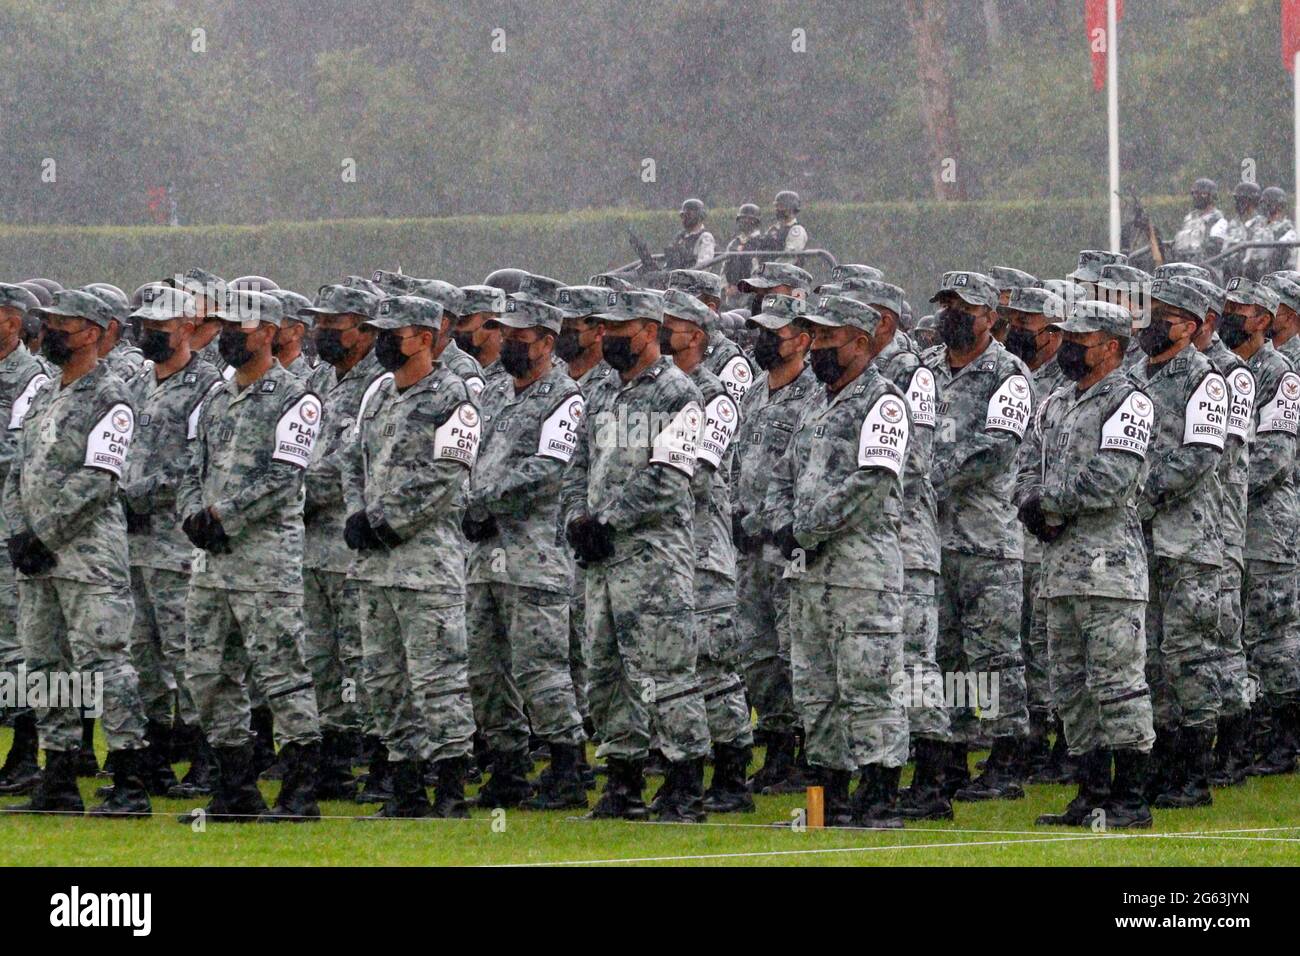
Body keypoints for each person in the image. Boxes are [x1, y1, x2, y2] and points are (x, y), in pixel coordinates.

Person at [560, 289, 711, 821]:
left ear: (648, 330)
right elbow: (576, 463)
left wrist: (610, 519)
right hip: (601, 562)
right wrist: (577, 518)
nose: (607, 337)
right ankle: (621, 780)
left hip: (653, 561)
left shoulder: (678, 393)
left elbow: (670, 478)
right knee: (606, 672)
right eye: (604, 327)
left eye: (619, 328)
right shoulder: (600, 390)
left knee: (665, 674)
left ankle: (684, 781)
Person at [0, 289, 149, 817]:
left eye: (65, 324)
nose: (53, 331)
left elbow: (100, 479)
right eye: (52, 322)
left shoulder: (112, 394)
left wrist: (46, 533)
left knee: (106, 664)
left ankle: (131, 777)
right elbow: (19, 467)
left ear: (94, 331)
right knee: (46, 666)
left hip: (88, 558)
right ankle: (58, 776)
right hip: (37, 561)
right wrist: (19, 532)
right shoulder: (46, 393)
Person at [177, 289, 324, 823]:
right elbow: (193, 466)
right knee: (207, 672)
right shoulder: (216, 399)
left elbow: (286, 477)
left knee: (281, 673)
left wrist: (224, 516)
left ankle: (301, 788)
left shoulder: (297, 398)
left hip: (265, 562)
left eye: (238, 327)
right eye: (223, 327)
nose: (227, 336)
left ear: (268, 331)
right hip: (212, 564)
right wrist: (193, 513)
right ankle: (234, 787)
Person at [765, 294, 911, 828]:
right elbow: (782, 475)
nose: (820, 348)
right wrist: (782, 522)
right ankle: (827, 804)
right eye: (816, 338)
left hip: (860, 575)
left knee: (869, 686)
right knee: (816, 691)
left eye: (830, 339)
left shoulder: (884, 402)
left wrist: (804, 528)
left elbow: (870, 483)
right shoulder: (813, 403)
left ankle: (878, 799)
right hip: (808, 577)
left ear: (861, 342)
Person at [1017, 300, 1157, 829]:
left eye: (1083, 339)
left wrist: (1047, 505)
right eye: (1067, 337)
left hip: (1109, 574)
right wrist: (1031, 503)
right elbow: (1026, 465)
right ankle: (1090, 789)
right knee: (1070, 688)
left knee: (1118, 684)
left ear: (1113, 348)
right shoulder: (1054, 402)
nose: (1071, 346)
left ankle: (1130, 796)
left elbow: (1112, 478)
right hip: (1059, 571)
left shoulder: (1130, 402)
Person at [344, 295, 480, 818]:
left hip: (426, 565)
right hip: (376, 569)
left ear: (425, 337)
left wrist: (386, 522)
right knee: (384, 679)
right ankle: (404, 786)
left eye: (392, 332)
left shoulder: (454, 396)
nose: (380, 342)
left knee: (438, 678)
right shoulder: (378, 394)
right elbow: (353, 460)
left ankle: (449, 788)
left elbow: (447, 477)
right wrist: (359, 513)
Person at [463, 295, 587, 811]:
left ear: (546, 341)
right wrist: (468, 502)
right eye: (504, 335)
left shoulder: (565, 396)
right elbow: (468, 455)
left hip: (533, 557)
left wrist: (487, 501)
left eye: (520, 336)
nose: (509, 343)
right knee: (485, 670)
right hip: (483, 555)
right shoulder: (494, 394)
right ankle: (508, 766)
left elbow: (550, 468)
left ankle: (567, 766)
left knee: (541, 668)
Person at [925, 271, 1033, 800]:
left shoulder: (1008, 374)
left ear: (991, 316)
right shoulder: (926, 371)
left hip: (988, 541)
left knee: (994, 655)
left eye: (964, 306)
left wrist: (926, 476)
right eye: (947, 304)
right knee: (942, 654)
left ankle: (1007, 756)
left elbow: (996, 450)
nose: (952, 314)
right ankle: (948, 755)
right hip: (931, 541)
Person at [120, 286, 224, 798]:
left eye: (158, 325)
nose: (147, 333)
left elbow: (196, 464)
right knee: (142, 655)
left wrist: (139, 494)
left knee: (190, 655)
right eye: (142, 325)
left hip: (178, 545)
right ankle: (154, 758)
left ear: (187, 327)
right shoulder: (138, 383)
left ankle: (208, 758)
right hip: (133, 546)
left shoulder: (208, 387)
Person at [1133, 276, 1227, 809]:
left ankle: (1194, 773)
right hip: (1141, 543)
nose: (1151, 321)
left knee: (1189, 659)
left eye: (1164, 314)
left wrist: (1140, 491)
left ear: (1189, 326)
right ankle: (1162, 766)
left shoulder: (1204, 379)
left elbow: (1199, 457)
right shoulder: (1132, 374)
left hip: (1189, 542)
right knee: (1151, 660)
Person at [658, 289, 751, 814]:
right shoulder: (657, 392)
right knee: (674, 666)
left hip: (702, 552)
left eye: (670, 325)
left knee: (713, 666)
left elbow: (696, 472)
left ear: (695, 333)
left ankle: (733, 772)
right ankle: (686, 766)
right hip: (664, 554)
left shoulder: (714, 397)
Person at [298, 283, 387, 801]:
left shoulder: (379, 386)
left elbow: (348, 462)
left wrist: (294, 492)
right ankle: (331, 757)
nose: (323, 331)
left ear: (365, 329)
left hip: (351, 546)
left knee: (363, 660)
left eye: (335, 322)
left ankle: (377, 757)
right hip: (310, 549)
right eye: (320, 321)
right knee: (319, 659)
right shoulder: (318, 381)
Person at [733, 294, 817, 794]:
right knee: (758, 653)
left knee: (794, 651)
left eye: (775, 332)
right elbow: (735, 464)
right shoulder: (751, 396)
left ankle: (808, 747)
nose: (764, 340)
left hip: (789, 547)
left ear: (803, 340)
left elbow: (804, 475)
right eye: (760, 330)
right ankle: (776, 744)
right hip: (749, 550)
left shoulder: (813, 395)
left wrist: (769, 520)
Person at [1217, 276, 1300, 776]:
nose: (1229, 314)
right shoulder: (1225, 371)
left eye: (1239, 309)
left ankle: (1284, 735)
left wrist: (1222, 485)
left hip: (1266, 525)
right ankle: (1247, 731)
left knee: (1275, 633)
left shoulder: (1279, 374)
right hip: (1227, 525)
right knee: (1237, 633)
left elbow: (1273, 455)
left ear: (1265, 319)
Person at [1186, 275, 1256, 786]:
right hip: (1191, 528)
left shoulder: (1230, 378)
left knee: (1222, 637)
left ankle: (1234, 743)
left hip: (1219, 525)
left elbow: (1221, 459)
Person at [0, 285, 52, 797]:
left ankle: (25, 750)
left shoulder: (30, 380)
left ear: (14, 323)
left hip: (9, 532)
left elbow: (20, 456)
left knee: (18, 647)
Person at [1171, 178, 1225, 265]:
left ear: (1211, 196)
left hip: (1206, 269)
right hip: (1183, 265)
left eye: (1202, 194)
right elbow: (1179, 243)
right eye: (1194, 194)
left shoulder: (1219, 222)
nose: (1197, 197)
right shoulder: (1188, 218)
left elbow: (1214, 252)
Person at [721, 203, 763, 294]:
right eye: (742, 219)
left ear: (756, 221)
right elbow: (724, 267)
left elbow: (759, 270)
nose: (744, 221)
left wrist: (742, 288)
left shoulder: (761, 242)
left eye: (748, 219)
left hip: (751, 294)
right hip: (730, 293)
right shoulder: (734, 243)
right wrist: (726, 286)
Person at [664, 199, 716, 271]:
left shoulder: (705, 237)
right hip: (674, 278)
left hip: (692, 280)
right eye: (683, 215)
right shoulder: (679, 237)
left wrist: (684, 276)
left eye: (688, 215)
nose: (685, 218)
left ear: (699, 216)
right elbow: (670, 262)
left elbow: (703, 267)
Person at [760, 190, 808, 264]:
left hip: (785, 274)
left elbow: (788, 259)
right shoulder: (772, 229)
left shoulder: (797, 230)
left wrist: (769, 269)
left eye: (781, 206)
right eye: (776, 206)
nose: (777, 209)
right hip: (764, 273)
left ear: (790, 208)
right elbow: (759, 251)